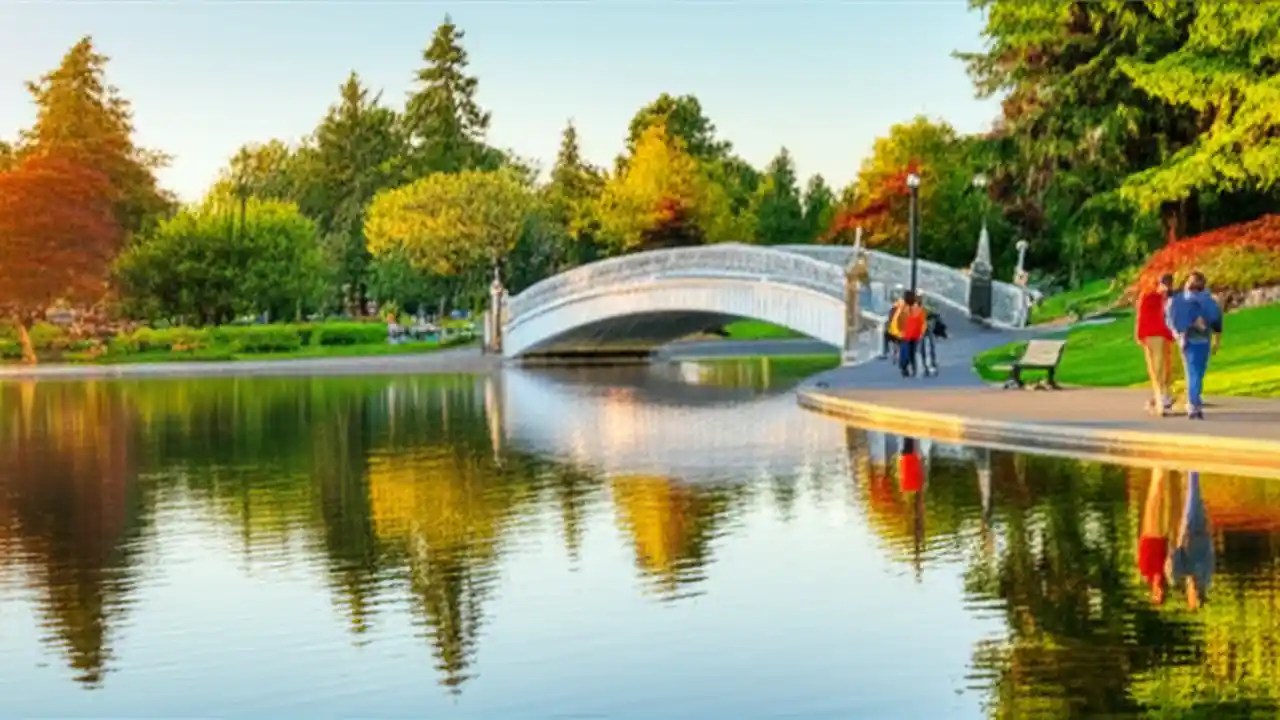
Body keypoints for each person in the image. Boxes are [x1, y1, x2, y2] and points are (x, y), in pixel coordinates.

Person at [1165, 271, 1223, 420]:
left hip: (1203, 340)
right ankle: (1193, 404)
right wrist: (1183, 331)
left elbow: (1216, 319)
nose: (1194, 287)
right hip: (1189, 341)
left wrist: (1215, 337)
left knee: (1197, 371)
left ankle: (1194, 399)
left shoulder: (1207, 301)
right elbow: (1172, 319)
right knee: (1193, 371)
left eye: (1197, 284)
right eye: (1192, 283)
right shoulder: (1180, 301)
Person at [1169, 471, 1214, 610]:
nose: (1197, 591)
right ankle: (1192, 473)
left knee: (1192, 498)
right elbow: (1209, 557)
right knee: (1195, 498)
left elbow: (1175, 553)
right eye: (1199, 594)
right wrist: (1209, 537)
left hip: (1189, 531)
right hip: (1200, 532)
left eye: (1195, 595)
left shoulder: (1181, 575)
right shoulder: (1205, 579)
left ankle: (1192, 472)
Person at [1136, 273, 1176, 416]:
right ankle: (1163, 396)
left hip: (1150, 334)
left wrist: (1139, 334)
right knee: (1164, 365)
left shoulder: (1147, 296)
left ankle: (1161, 397)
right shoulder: (1168, 297)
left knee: (1155, 367)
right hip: (1162, 333)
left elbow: (1141, 316)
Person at [897, 291, 927, 378]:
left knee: (911, 353)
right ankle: (906, 367)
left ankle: (912, 368)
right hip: (907, 336)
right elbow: (900, 321)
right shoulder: (904, 309)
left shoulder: (916, 309)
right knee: (906, 352)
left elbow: (922, 322)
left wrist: (922, 332)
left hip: (914, 335)